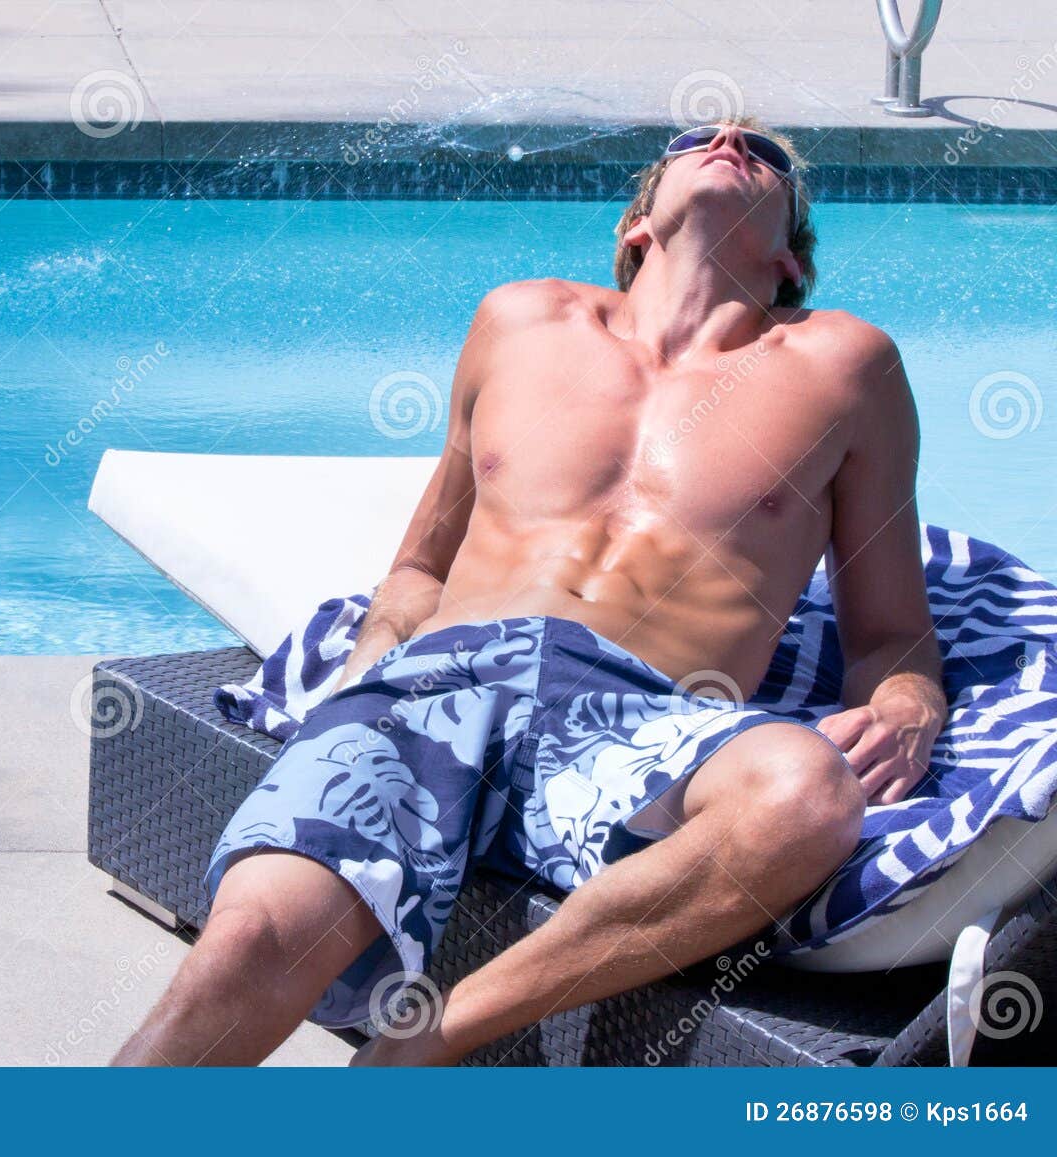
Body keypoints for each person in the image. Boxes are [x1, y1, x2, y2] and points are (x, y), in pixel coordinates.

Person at [112, 117, 946, 1066]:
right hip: (437, 687)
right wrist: (362, 685)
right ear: (638, 227)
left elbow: (892, 634)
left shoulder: (846, 366)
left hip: (646, 717)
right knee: (250, 943)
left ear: (793, 260)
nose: (726, 136)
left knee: (806, 796)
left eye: (766, 153)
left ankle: (422, 1041)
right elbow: (421, 565)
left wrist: (910, 703)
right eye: (697, 136)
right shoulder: (518, 320)